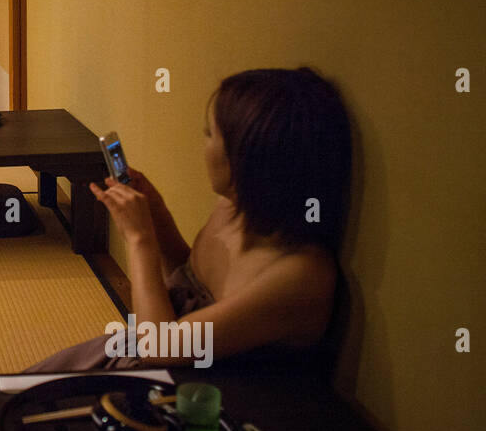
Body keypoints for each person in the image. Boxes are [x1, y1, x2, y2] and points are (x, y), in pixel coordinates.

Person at [29, 67, 353, 370]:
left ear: (249, 160)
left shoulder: (301, 274)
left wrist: (139, 241)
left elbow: (160, 349)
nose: (204, 145)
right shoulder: (232, 207)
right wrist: (158, 215)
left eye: (209, 134)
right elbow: (188, 281)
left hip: (209, 395)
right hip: (157, 351)